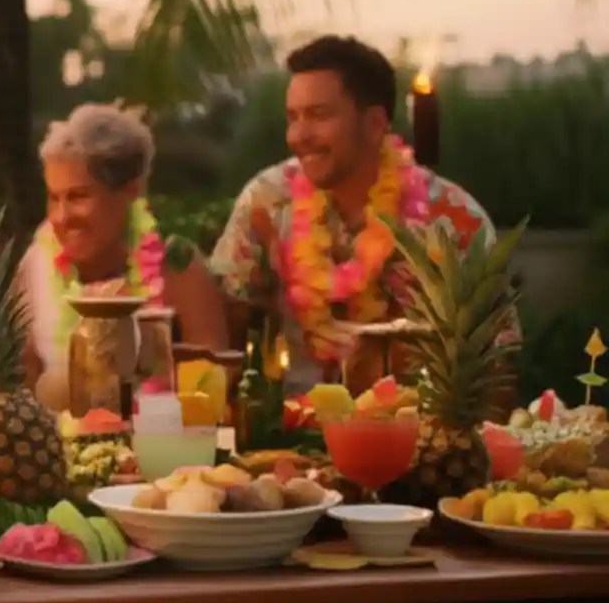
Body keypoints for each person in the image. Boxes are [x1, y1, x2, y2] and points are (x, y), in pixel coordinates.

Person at [208, 35, 521, 398]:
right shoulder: (267, 199)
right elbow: (224, 328)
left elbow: (498, 370)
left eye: (318, 115)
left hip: (417, 436)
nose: (298, 135)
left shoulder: (453, 218)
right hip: (287, 434)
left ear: (374, 124)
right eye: (293, 117)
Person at [17, 102, 230, 412]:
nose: (61, 217)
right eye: (54, 197)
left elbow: (217, 373)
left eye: (78, 196)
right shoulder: (35, 264)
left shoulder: (175, 262)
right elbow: (20, 381)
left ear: (130, 191)